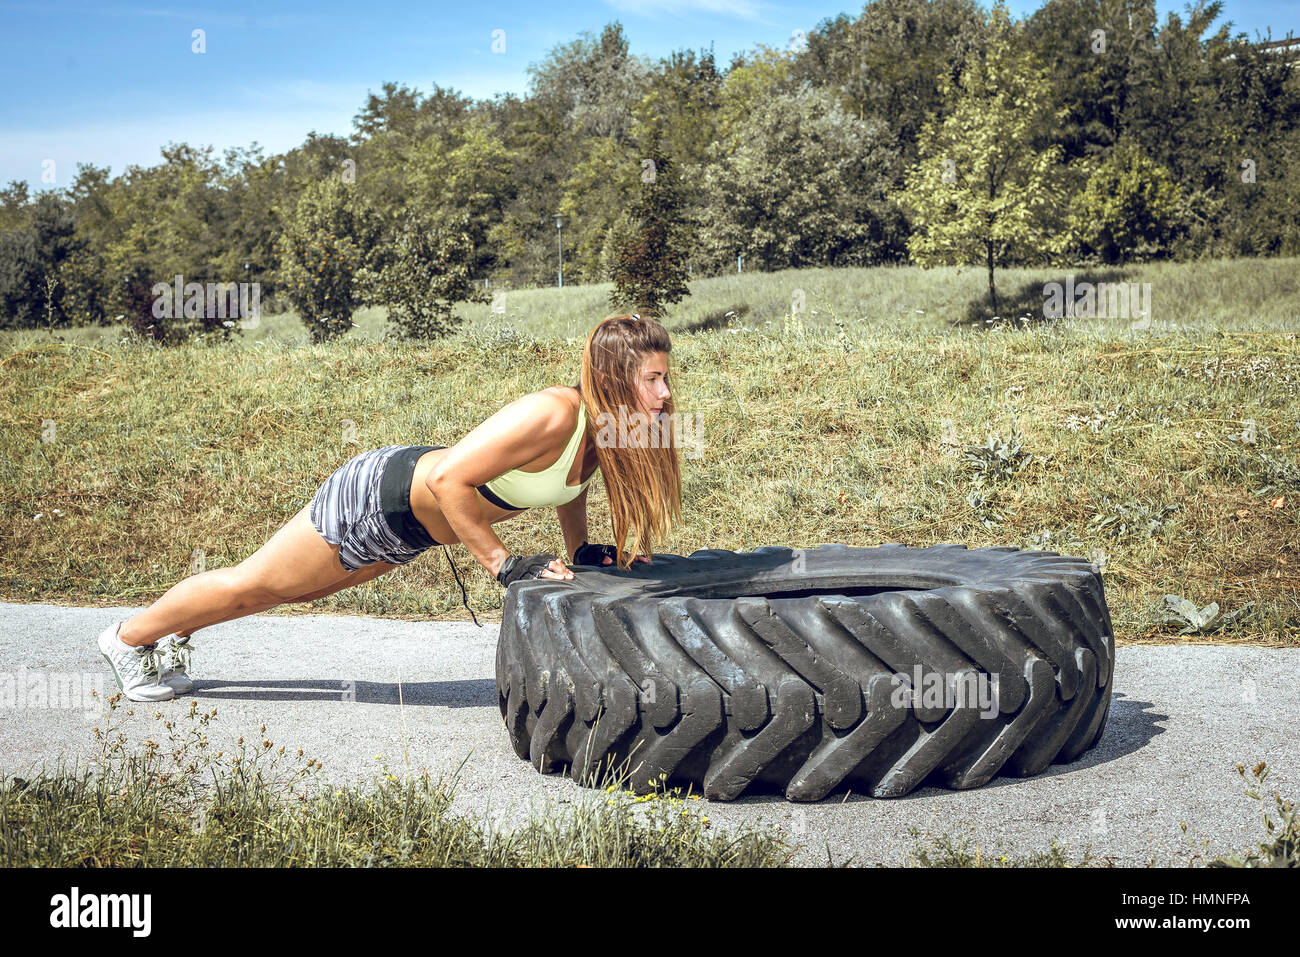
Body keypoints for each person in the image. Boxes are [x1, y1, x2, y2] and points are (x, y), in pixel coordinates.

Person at [97, 314, 684, 701]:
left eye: (665, 379)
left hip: (413, 530)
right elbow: (453, 477)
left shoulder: (611, 429)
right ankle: (126, 639)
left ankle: (167, 634)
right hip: (379, 497)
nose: (664, 394)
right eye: (652, 379)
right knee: (258, 582)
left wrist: (580, 547)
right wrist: (503, 564)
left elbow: (570, 485)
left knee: (291, 592)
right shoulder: (554, 413)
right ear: (613, 375)